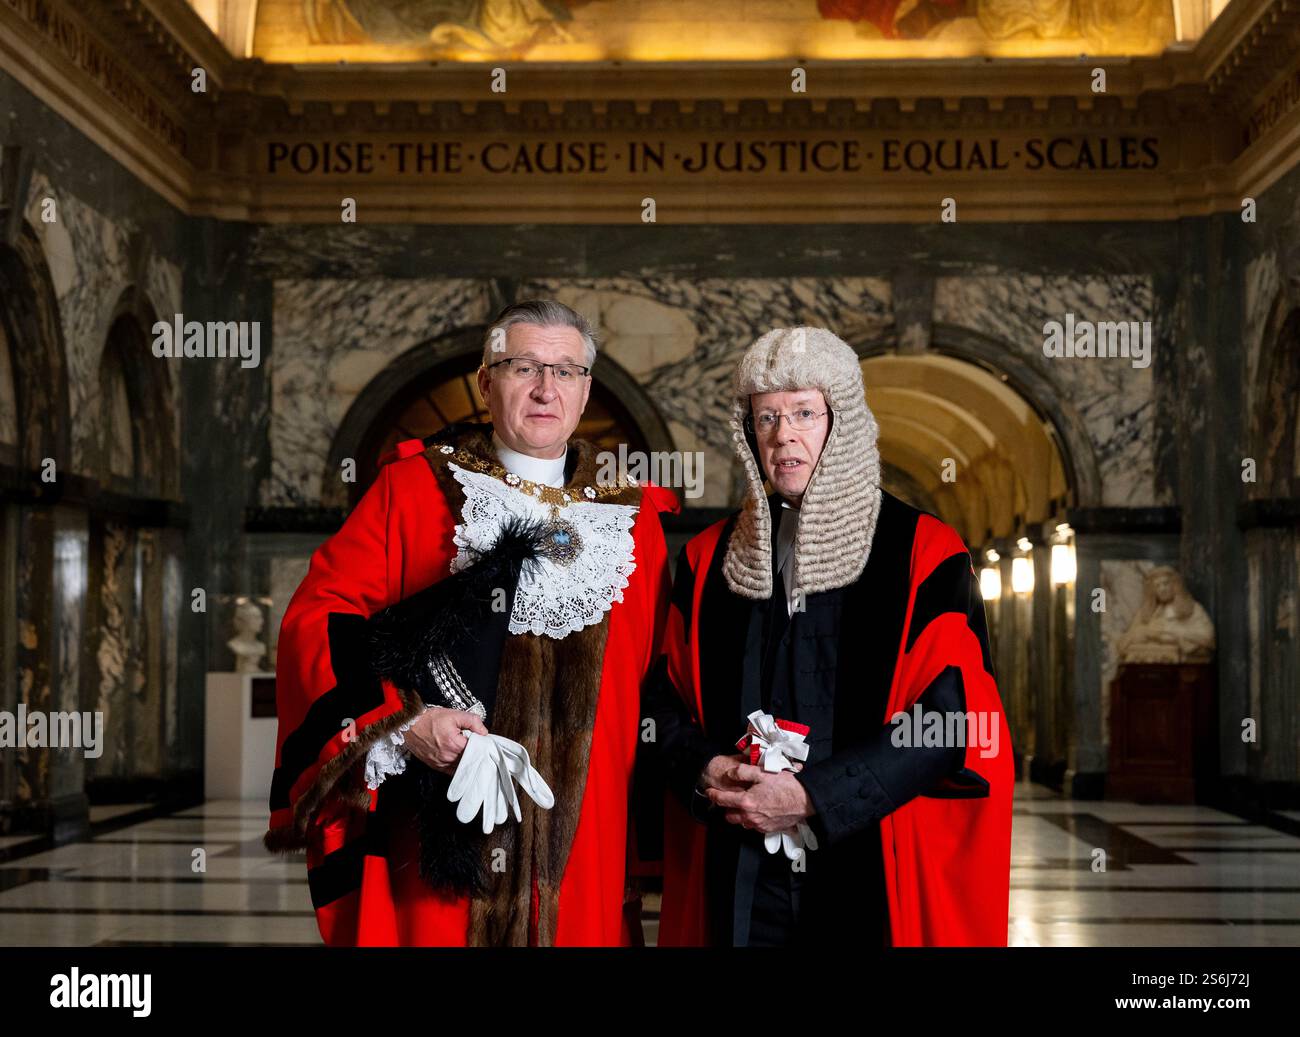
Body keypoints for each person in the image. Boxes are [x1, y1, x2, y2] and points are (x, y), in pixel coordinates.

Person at [264, 300, 675, 946]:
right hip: (441, 855)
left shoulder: (635, 522)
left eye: (565, 371)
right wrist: (405, 722)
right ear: (486, 381)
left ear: (586, 388)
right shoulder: (412, 491)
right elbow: (314, 622)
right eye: (524, 367)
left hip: (589, 866)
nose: (546, 388)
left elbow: (665, 688)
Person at [640, 326, 1013, 946]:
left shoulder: (923, 552)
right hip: (740, 866)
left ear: (842, 423)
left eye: (805, 414)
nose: (783, 435)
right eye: (766, 418)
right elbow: (660, 704)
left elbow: (949, 722)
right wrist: (707, 770)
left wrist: (812, 796)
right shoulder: (708, 562)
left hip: (866, 859)